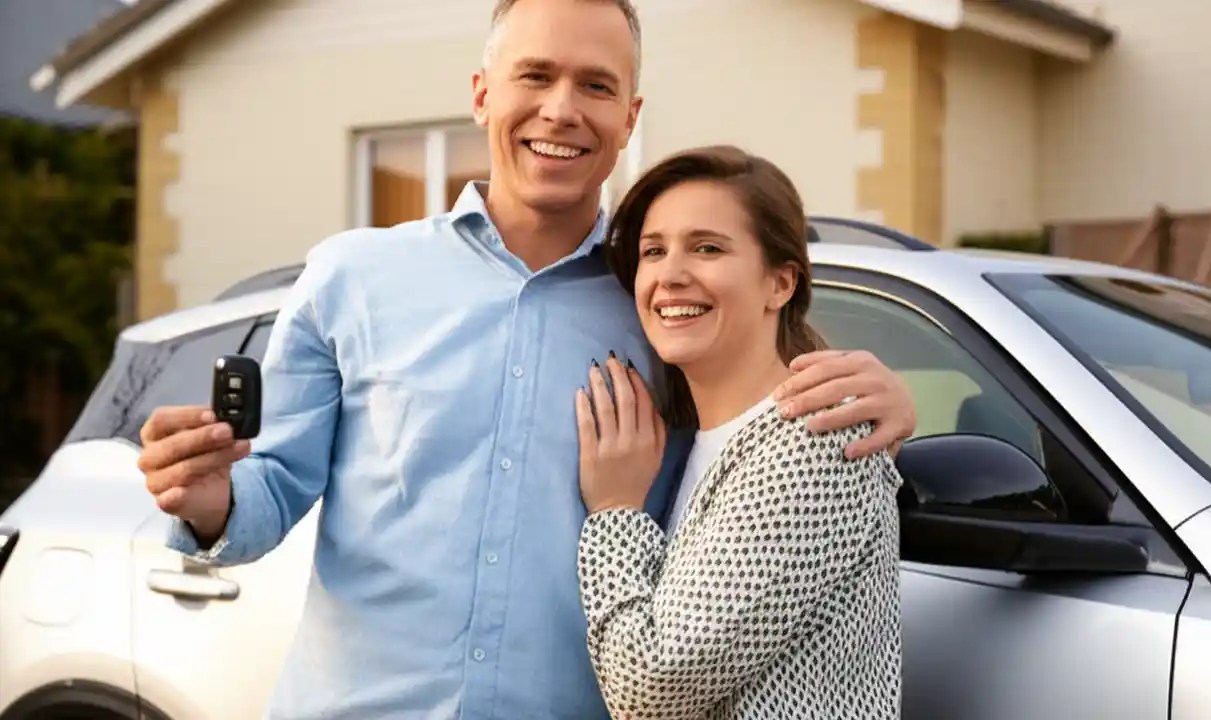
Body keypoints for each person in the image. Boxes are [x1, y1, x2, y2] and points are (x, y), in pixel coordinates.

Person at [135, 1, 916, 717]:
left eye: (597, 86)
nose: (562, 109)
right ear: (481, 94)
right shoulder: (350, 278)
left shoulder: (663, 310)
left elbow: (759, 412)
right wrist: (209, 500)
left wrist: (891, 395)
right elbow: (269, 489)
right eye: (535, 76)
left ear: (628, 117)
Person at [575, 146, 902, 718]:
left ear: (780, 283)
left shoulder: (814, 445)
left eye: (707, 248)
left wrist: (615, 513)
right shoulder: (696, 441)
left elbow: (650, 688)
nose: (671, 275)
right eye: (654, 251)